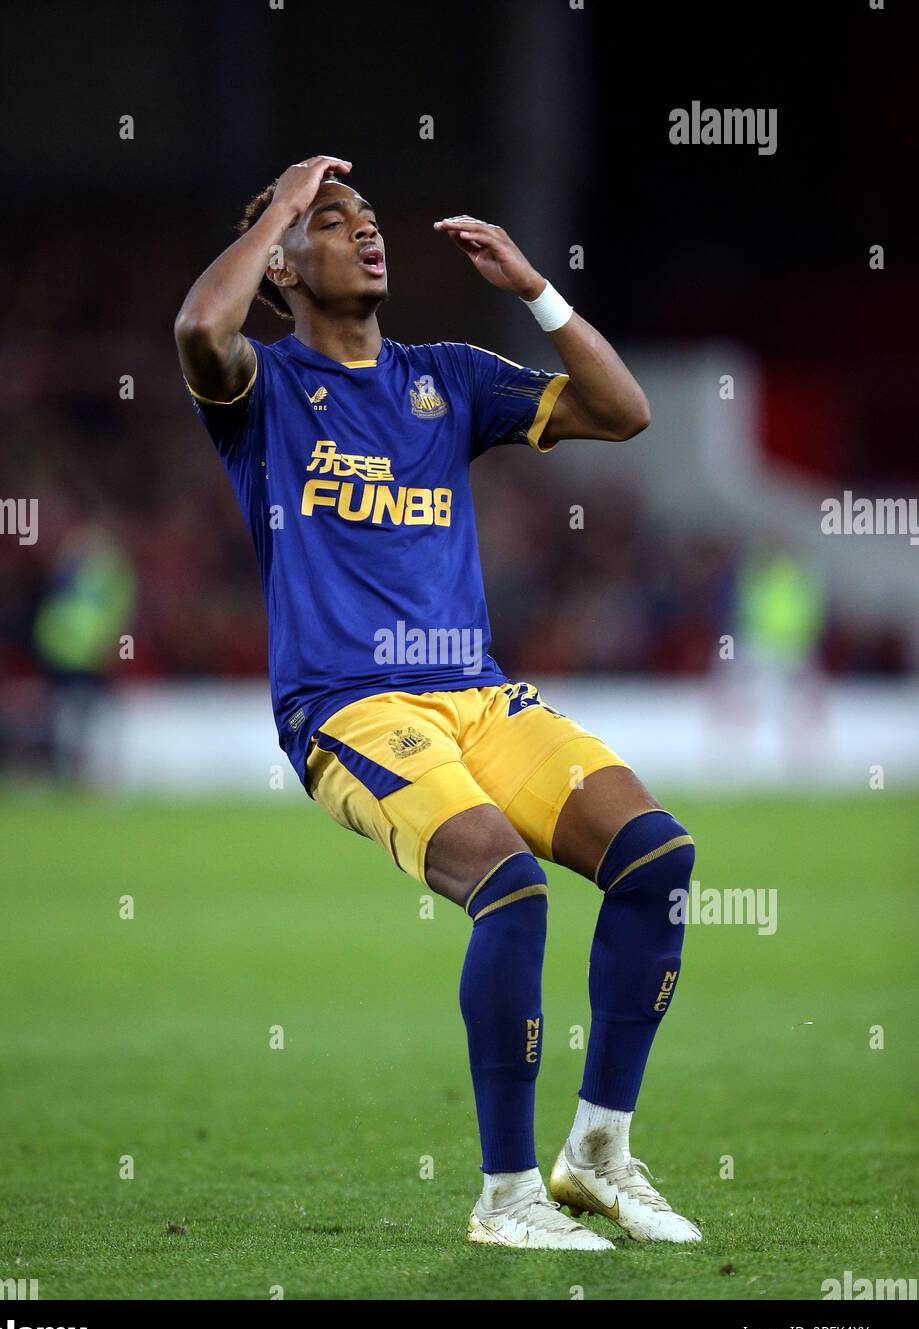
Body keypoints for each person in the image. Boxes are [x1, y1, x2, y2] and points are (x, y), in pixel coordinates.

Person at [175, 154, 700, 1250]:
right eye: (332, 221)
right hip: (350, 708)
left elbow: (624, 411)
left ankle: (596, 1152)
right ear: (280, 262)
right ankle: (505, 1195)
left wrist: (533, 291)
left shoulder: (445, 376)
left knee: (655, 858)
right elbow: (194, 334)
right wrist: (276, 200)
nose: (365, 232)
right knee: (508, 890)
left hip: (480, 695)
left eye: (368, 218)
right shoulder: (262, 389)